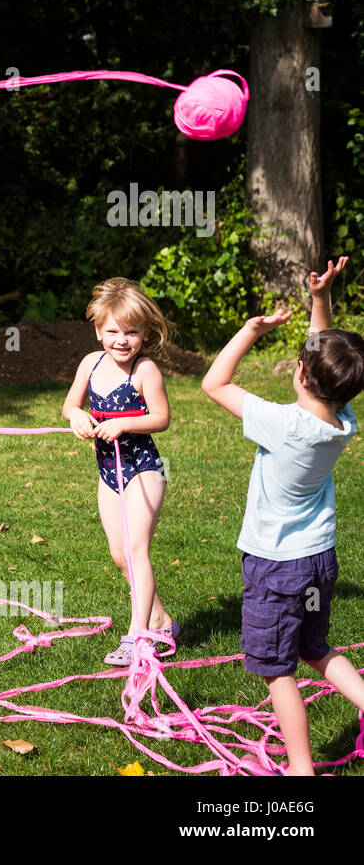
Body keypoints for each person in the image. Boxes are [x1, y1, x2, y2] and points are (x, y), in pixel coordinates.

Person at [201, 255, 364, 775]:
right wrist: (319, 300)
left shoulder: (283, 425)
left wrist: (250, 330)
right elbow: (324, 356)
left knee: (278, 670)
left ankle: (300, 769)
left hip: (276, 567)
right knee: (316, 647)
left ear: (298, 373)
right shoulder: (343, 421)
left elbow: (214, 384)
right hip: (318, 561)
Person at [61, 278, 177, 665]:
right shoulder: (90, 364)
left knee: (136, 549)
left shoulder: (145, 370)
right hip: (108, 470)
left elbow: (161, 418)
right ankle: (161, 620)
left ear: (145, 333)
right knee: (119, 554)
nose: (122, 340)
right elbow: (69, 406)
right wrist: (77, 416)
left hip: (143, 468)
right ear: (98, 331)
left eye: (131, 331)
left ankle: (138, 636)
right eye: (112, 331)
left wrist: (125, 423)